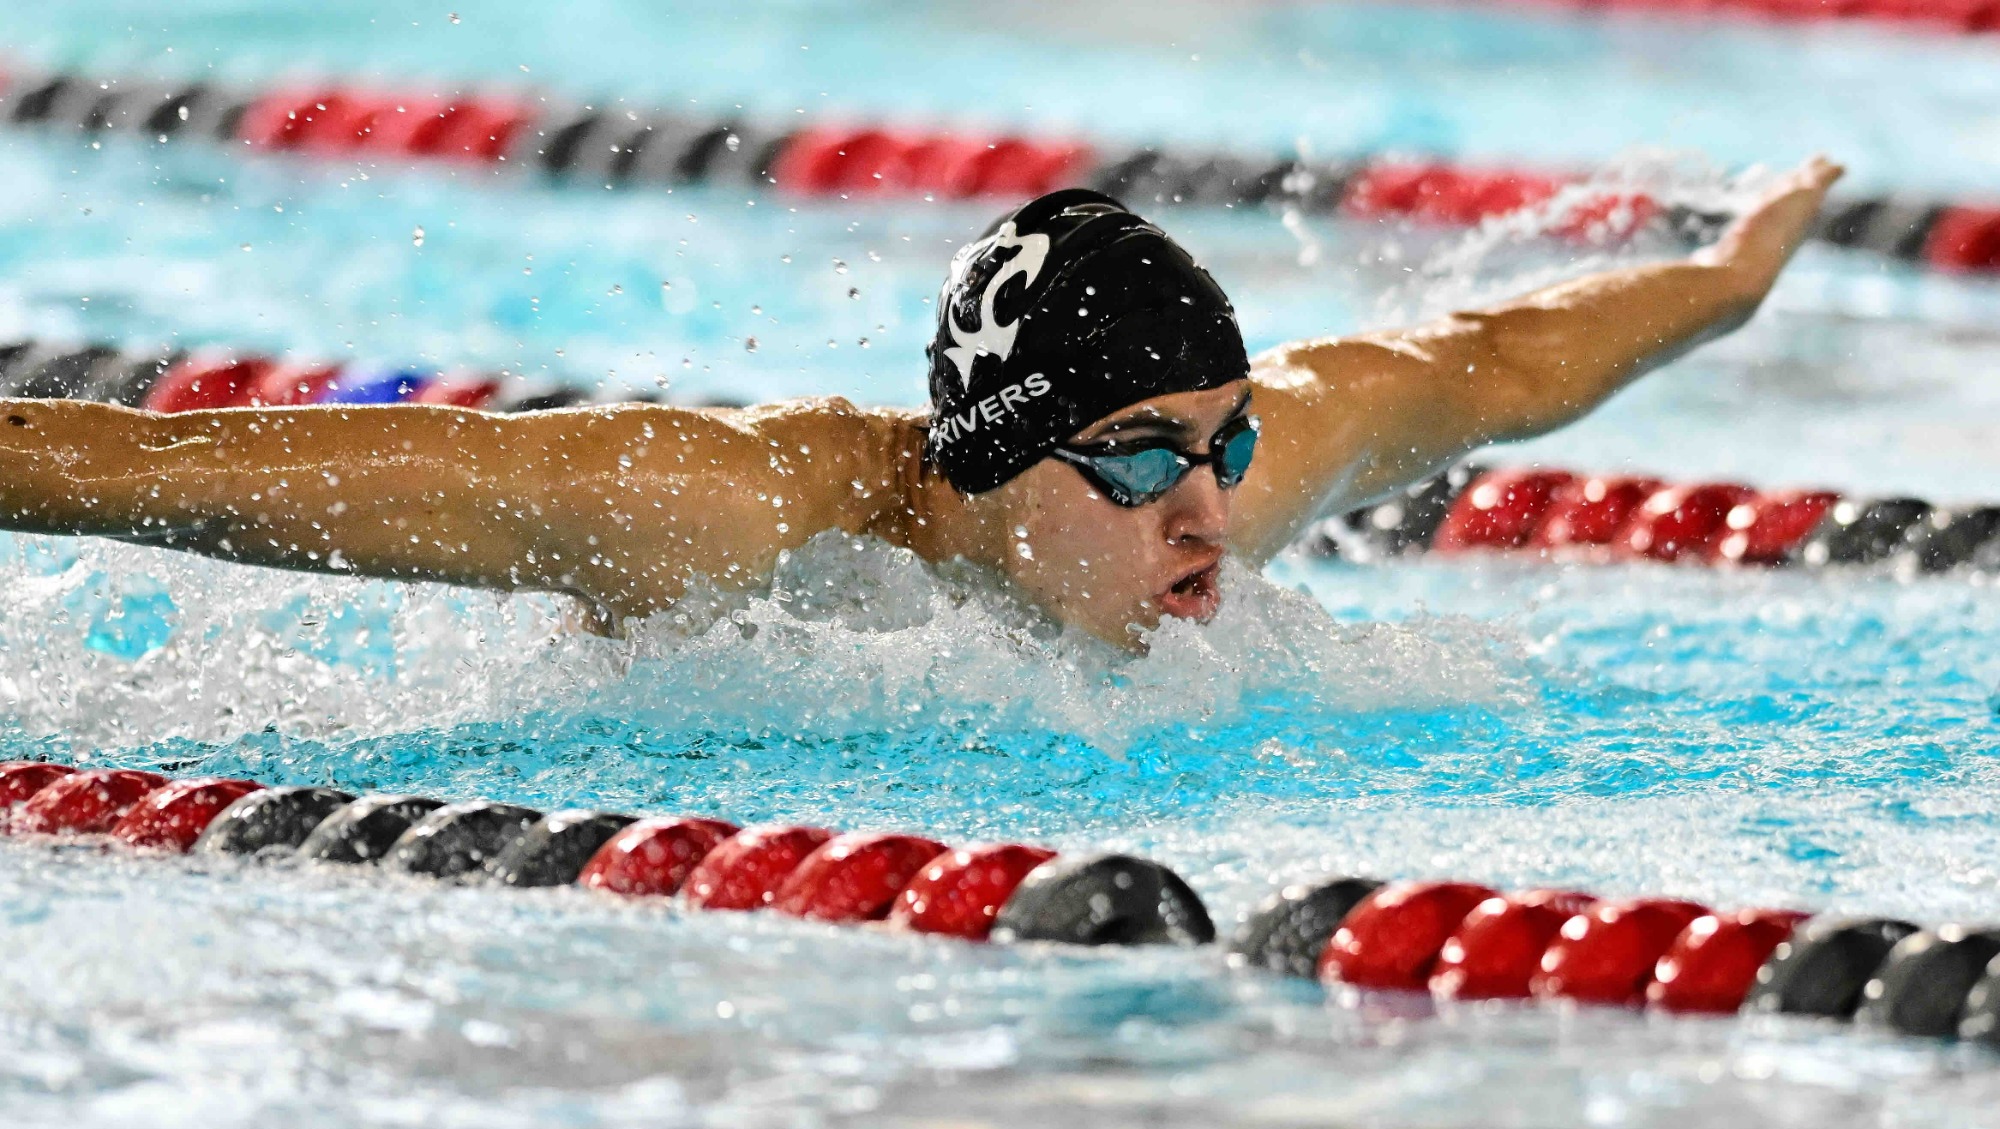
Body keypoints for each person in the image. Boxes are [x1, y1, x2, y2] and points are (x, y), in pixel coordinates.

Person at [0, 158, 1842, 649]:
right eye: (1136, 460)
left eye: (1229, 442)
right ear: (990, 451)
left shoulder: (1214, 498)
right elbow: (174, 471)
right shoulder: (723, 517)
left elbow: (1491, 363)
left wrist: (1730, 280)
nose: (1210, 515)